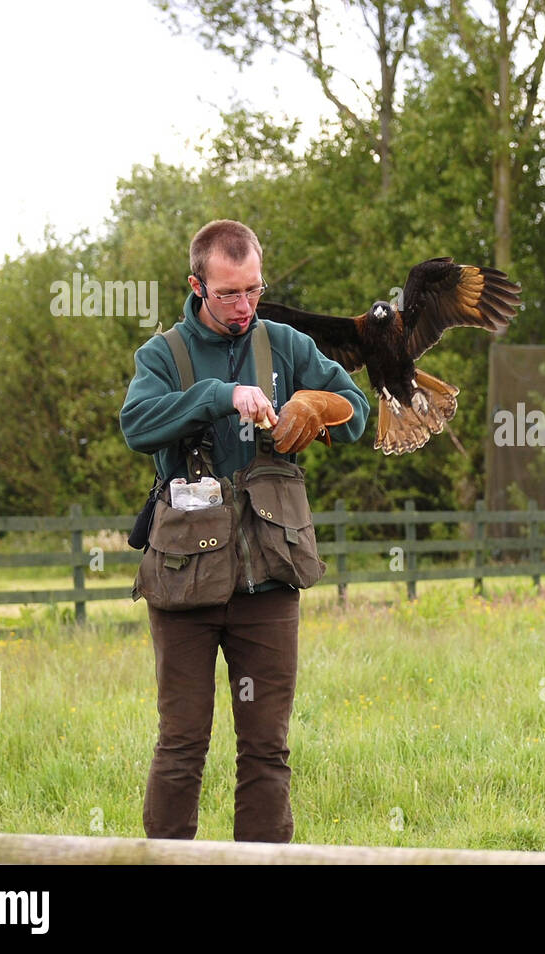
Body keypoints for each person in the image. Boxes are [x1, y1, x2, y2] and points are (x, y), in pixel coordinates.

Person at [119, 219, 369, 842]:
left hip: (271, 578)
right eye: (229, 293)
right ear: (196, 285)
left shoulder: (284, 343)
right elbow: (137, 426)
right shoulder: (163, 355)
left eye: (253, 290)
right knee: (181, 745)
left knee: (266, 750)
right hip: (186, 581)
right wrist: (218, 396)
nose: (244, 306)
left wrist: (317, 405)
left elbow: (358, 412)